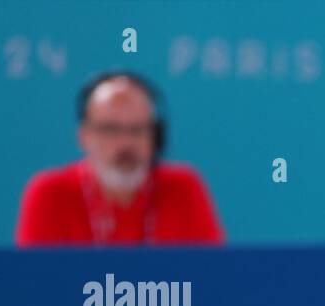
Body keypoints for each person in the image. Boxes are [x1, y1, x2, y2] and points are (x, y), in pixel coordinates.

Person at [16, 71, 223, 245]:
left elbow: (212, 279)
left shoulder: (184, 187)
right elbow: (36, 285)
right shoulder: (50, 193)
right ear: (84, 136)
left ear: (156, 137)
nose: (125, 143)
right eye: (110, 129)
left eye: (137, 130)